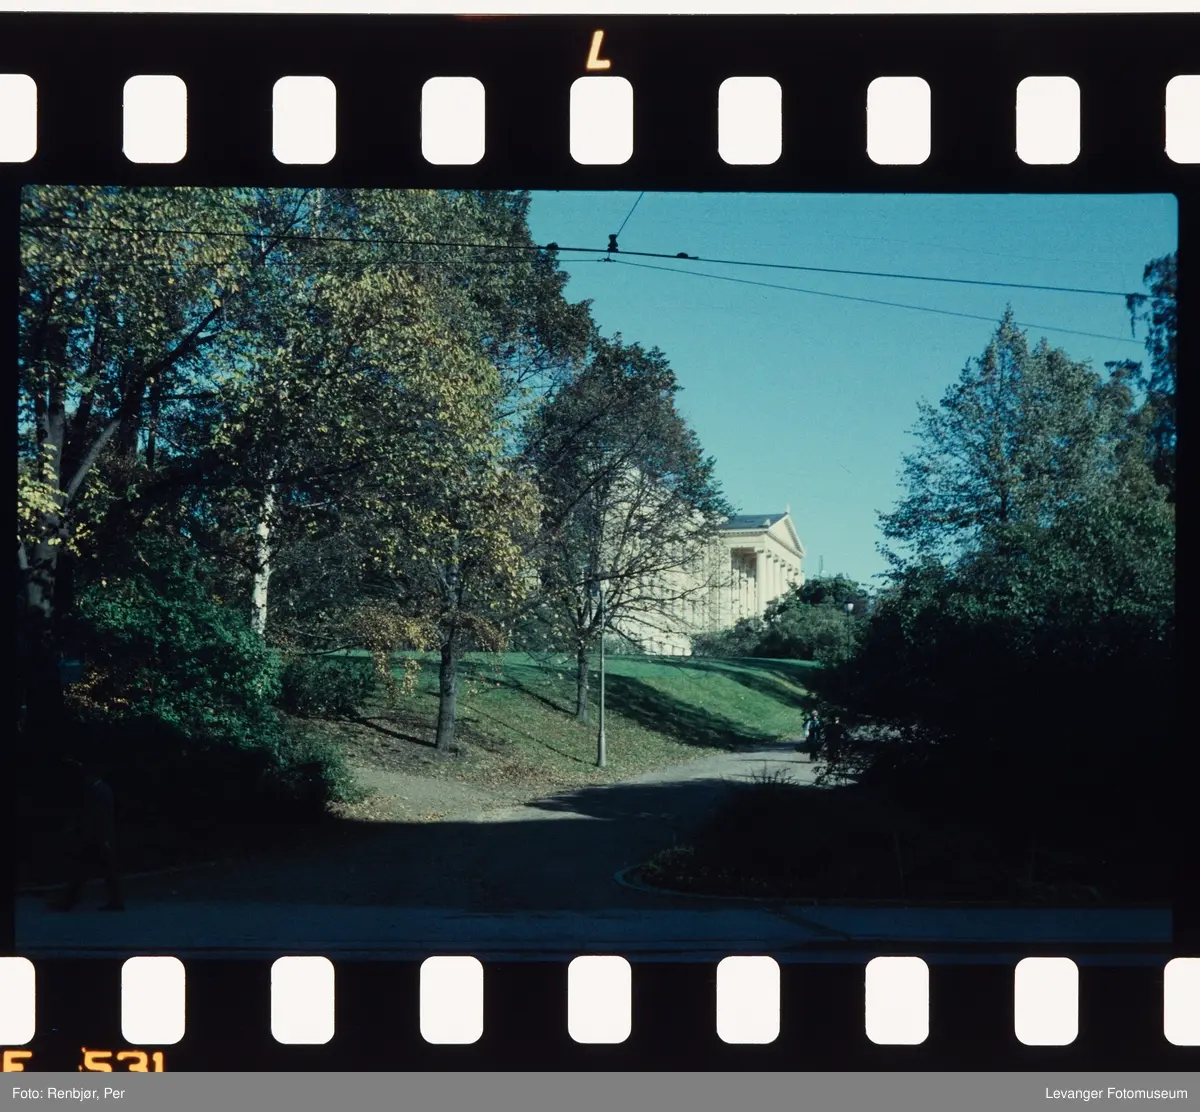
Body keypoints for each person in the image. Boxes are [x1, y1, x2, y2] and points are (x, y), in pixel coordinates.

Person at [53, 760, 124, 912]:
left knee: (83, 870)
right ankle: (115, 901)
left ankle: (68, 902)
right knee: (104, 871)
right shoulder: (103, 789)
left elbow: (93, 815)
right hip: (100, 836)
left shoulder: (95, 790)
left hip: (95, 837)